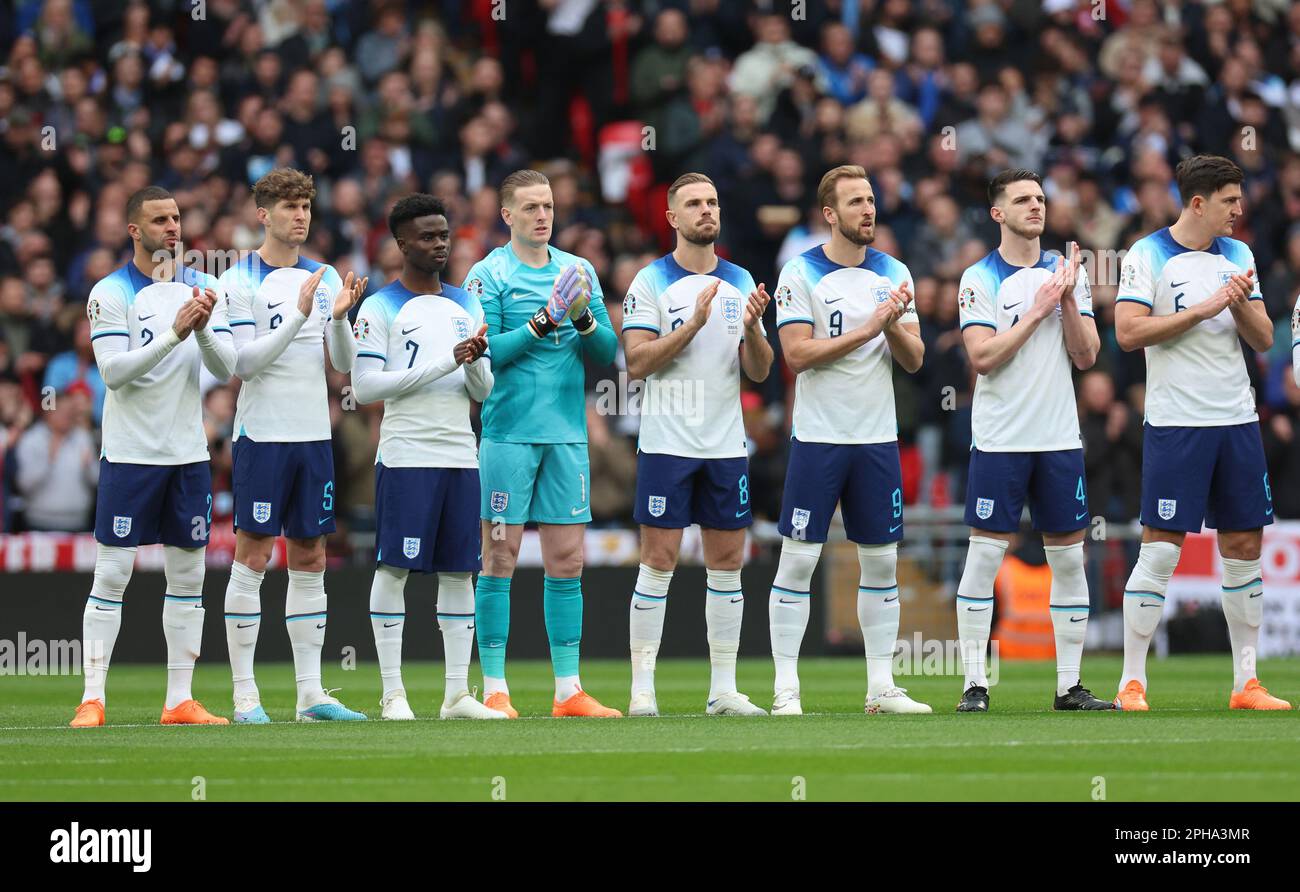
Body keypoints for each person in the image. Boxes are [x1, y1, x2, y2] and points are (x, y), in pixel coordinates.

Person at [1112, 154, 1289, 711]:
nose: (1239, 209)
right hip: (1176, 423)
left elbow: (1262, 340)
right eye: (1230, 201)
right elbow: (1127, 332)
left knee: (1243, 547)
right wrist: (1203, 308)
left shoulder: (1239, 254)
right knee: (1161, 552)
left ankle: (1246, 683)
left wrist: (1236, 304)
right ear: (1198, 202)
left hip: (1236, 419)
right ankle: (1131, 682)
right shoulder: (1147, 254)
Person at [70, 185, 237, 728]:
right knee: (113, 572)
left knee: (188, 577)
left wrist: (205, 328)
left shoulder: (204, 287)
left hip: (187, 454)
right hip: (130, 454)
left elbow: (225, 365)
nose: (173, 227)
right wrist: (174, 333)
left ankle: (178, 701)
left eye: (177, 217)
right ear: (135, 231)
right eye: (160, 219)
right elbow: (114, 373)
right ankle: (92, 698)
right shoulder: (112, 292)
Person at [769, 164, 929, 716]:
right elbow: (796, 355)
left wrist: (890, 325)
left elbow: (914, 359)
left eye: (871, 199)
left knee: (881, 563)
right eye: (856, 201)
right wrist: (868, 328)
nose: (869, 210)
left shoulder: (894, 272)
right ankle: (786, 688)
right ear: (830, 214)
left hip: (876, 439)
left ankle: (881, 687)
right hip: (818, 438)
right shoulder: (801, 273)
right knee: (798, 561)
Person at [952, 169, 1112, 713]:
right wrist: (1040, 308)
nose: (1036, 206)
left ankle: (1069, 685)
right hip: (1001, 438)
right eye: (1022, 199)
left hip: (1059, 437)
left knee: (1069, 563)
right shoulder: (979, 277)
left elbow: (1087, 355)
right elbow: (982, 358)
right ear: (998, 213)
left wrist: (1066, 299)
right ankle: (975, 683)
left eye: (1041, 198)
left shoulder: (1069, 273)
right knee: (984, 558)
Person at [465, 169, 622, 718]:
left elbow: (606, 351)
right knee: (499, 556)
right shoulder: (488, 274)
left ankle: (567, 691)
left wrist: (579, 315)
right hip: (508, 435)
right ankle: (494, 687)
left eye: (549, 206)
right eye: (530, 207)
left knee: (568, 561)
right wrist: (542, 320)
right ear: (507, 215)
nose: (542, 215)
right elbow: (485, 353)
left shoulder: (577, 270)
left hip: (565, 439)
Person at [620, 172, 774, 717]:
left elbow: (759, 371)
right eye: (694, 203)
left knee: (728, 562)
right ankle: (643, 689)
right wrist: (693, 326)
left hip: (726, 443)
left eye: (711, 201)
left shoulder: (740, 279)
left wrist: (754, 331)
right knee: (658, 561)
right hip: (667, 443)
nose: (706, 210)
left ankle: (723, 690)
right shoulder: (650, 282)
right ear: (672, 218)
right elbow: (636, 363)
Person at [218, 168, 368, 723]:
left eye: (306, 206)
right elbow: (242, 363)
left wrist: (338, 318)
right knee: (254, 555)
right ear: (264, 215)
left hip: (312, 438)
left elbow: (344, 364)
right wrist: (299, 317)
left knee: (310, 555)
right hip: (263, 437)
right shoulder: (239, 281)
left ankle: (311, 695)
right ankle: (244, 696)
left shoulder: (324, 275)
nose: (300, 216)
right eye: (289, 207)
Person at [350, 193, 505, 721]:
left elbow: (482, 391)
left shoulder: (467, 304)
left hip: (461, 455)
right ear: (401, 244)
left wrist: (475, 363)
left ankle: (456, 695)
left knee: (460, 572)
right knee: (394, 566)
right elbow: (366, 386)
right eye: (427, 236)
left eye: (444, 235)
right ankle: (393, 693)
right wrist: (446, 362)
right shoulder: (380, 307)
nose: (439, 244)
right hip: (406, 455)